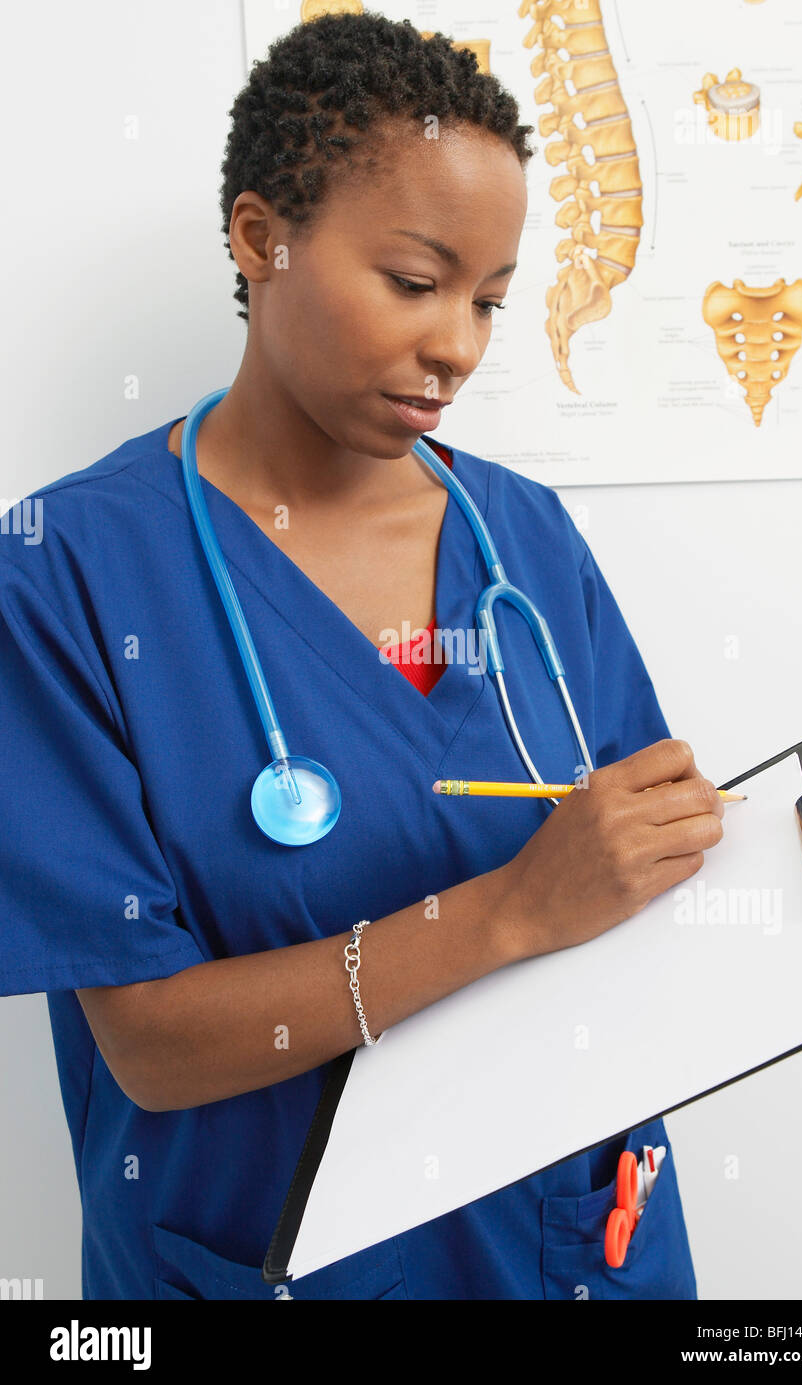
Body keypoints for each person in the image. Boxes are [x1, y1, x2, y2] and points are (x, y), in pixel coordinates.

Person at [0, 12, 724, 1300]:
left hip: (570, 1243)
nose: (458, 345)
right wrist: (506, 912)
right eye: (414, 280)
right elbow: (153, 1047)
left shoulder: (524, 538)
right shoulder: (64, 570)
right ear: (258, 235)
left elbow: (631, 877)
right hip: (280, 1266)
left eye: (490, 302)